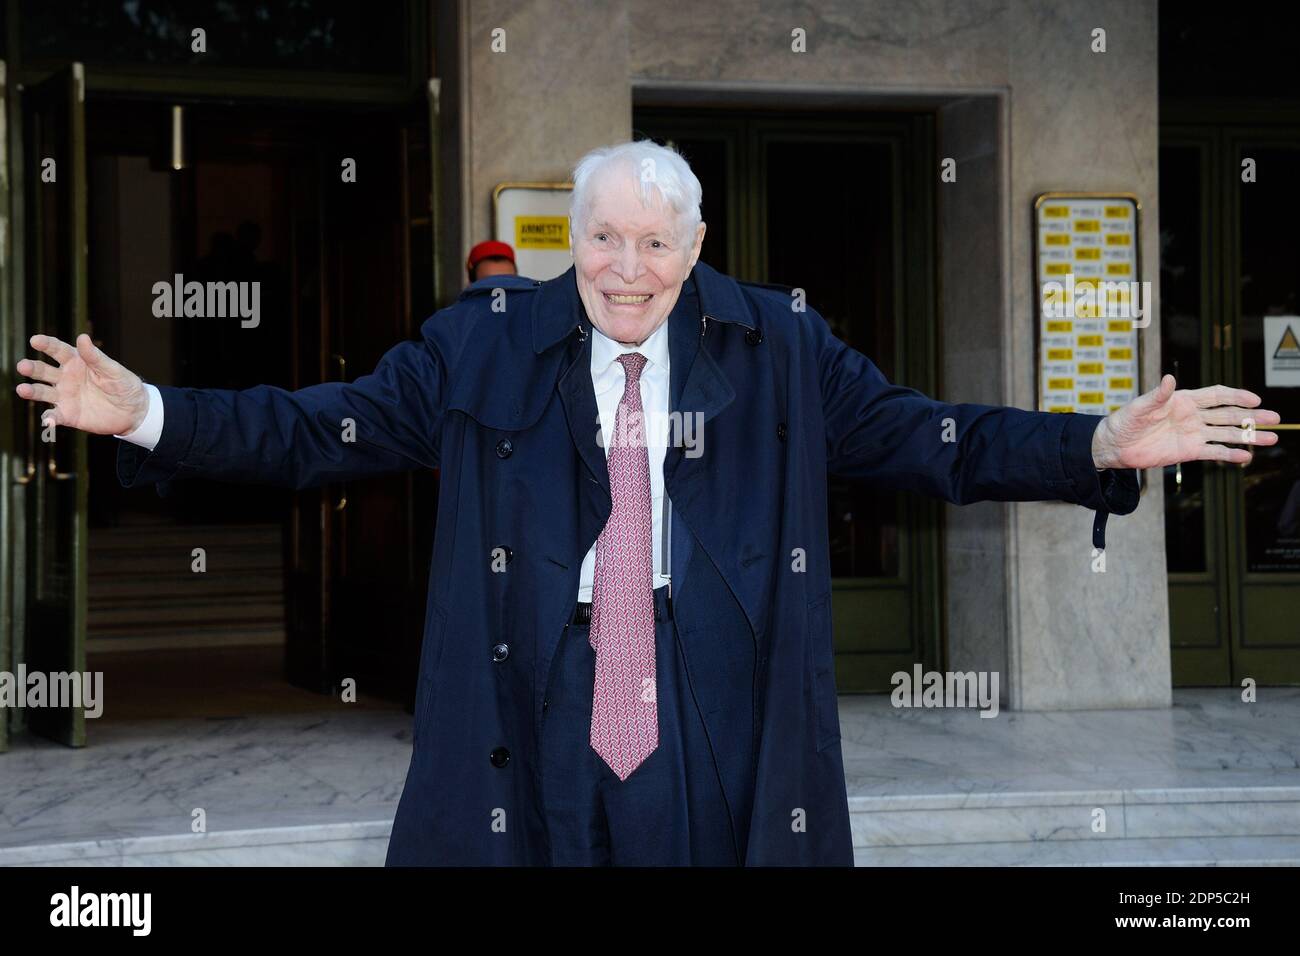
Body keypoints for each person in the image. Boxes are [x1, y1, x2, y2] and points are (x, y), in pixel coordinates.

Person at [15, 140, 1280, 866]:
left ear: (695, 241)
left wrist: (1098, 437)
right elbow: (319, 427)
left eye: (655, 243)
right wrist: (155, 414)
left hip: (706, 686)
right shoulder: (487, 339)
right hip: (533, 684)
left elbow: (921, 436)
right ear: (576, 234)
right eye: (605, 239)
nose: (627, 272)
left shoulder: (776, 343)